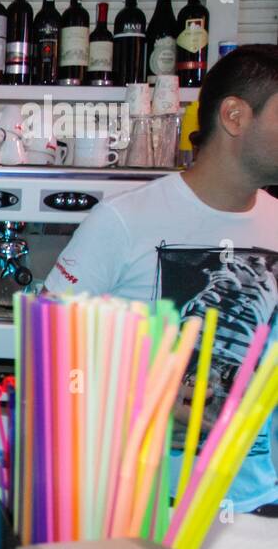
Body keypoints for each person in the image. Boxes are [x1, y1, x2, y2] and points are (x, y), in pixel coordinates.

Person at [45, 43, 278, 512]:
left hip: (259, 504)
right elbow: (44, 351)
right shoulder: (124, 220)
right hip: (141, 504)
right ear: (235, 116)